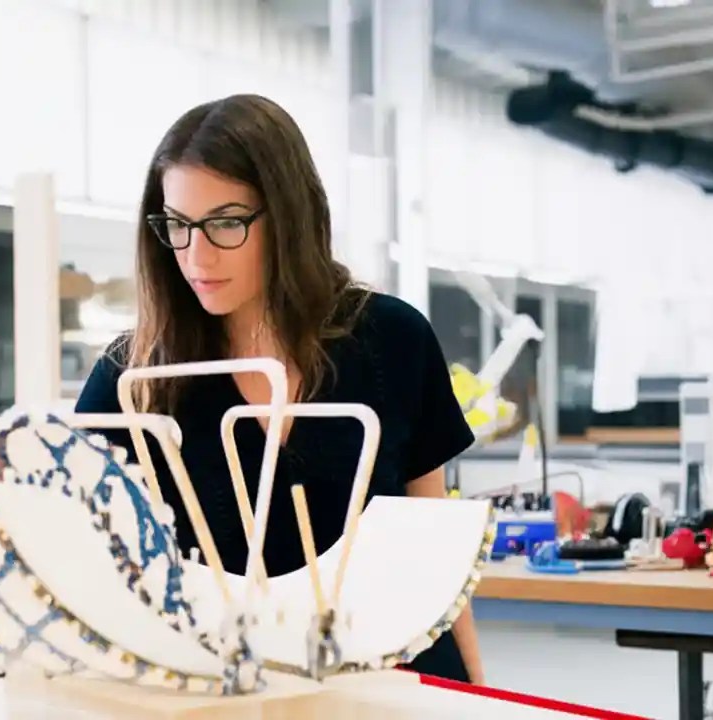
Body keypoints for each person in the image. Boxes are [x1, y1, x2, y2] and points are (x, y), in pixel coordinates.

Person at [73, 94, 484, 685]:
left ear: (287, 214)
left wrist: (475, 687)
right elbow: (88, 559)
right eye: (177, 226)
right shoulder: (134, 378)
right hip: (237, 691)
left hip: (395, 685)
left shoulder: (391, 338)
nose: (197, 255)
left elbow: (437, 551)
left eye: (226, 223)